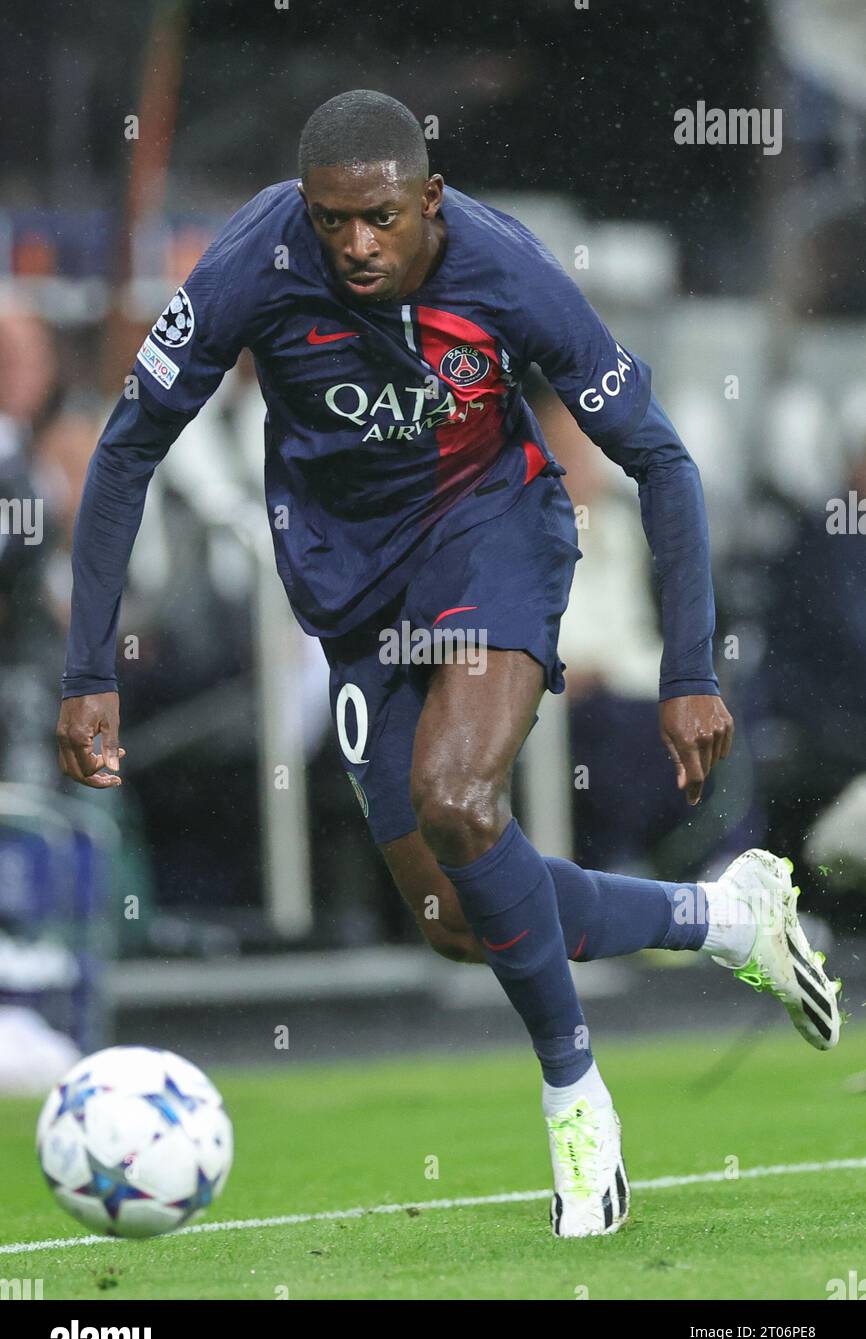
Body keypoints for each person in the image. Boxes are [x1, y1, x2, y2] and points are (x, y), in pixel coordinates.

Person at [56, 90, 842, 1238]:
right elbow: (126, 448)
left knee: (459, 799)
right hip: (350, 589)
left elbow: (662, 460)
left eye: (378, 217)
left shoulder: (508, 273)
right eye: (331, 222)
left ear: (427, 199)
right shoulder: (251, 263)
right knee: (455, 915)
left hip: (493, 536)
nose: (354, 245)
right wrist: (89, 671)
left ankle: (576, 1104)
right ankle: (722, 919)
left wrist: (688, 671)